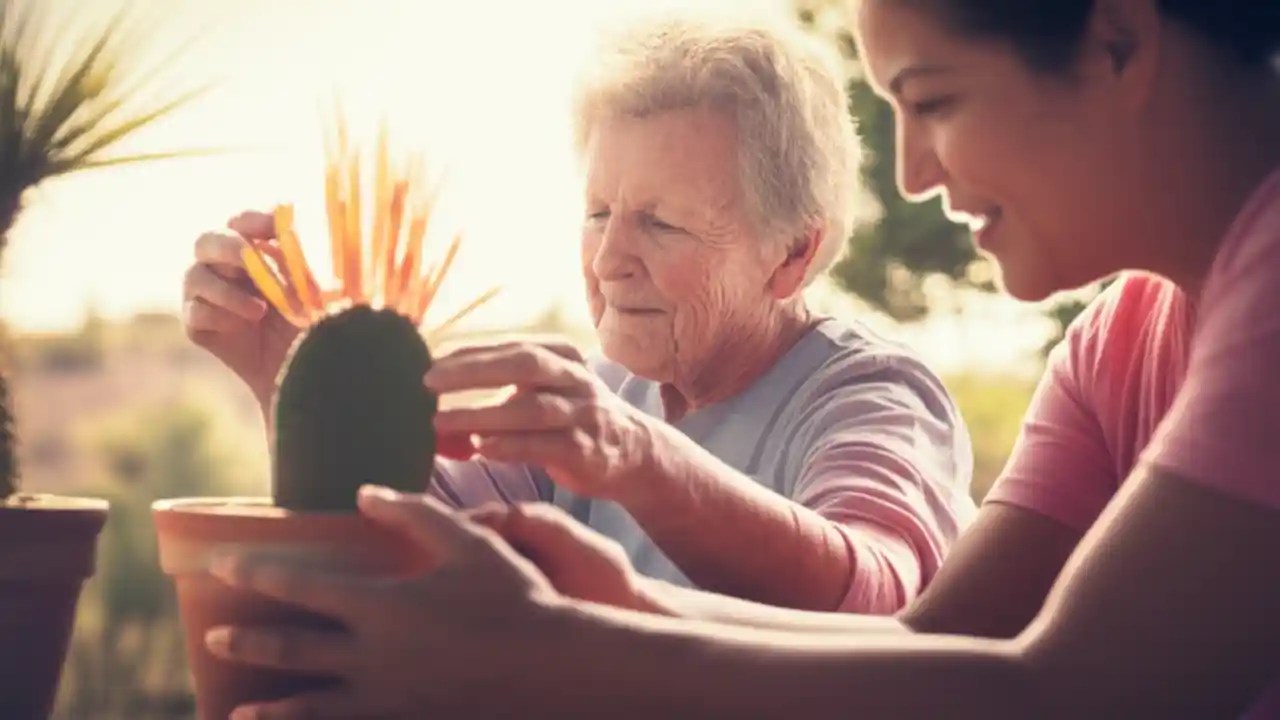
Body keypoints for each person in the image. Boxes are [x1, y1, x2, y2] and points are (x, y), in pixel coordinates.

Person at [200, 0, 1280, 716]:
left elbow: (1062, 694)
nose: (907, 174)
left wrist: (567, 646)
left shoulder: (867, 390)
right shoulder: (1114, 344)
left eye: (933, 100)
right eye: (597, 212)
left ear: (1119, 44)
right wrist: (621, 604)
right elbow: (938, 646)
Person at [182, 12, 976, 616]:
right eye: (599, 214)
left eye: (660, 224)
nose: (606, 260)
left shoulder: (872, 398)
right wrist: (288, 375)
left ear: (794, 256)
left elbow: (880, 603)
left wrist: (638, 458)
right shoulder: (594, 402)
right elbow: (398, 551)